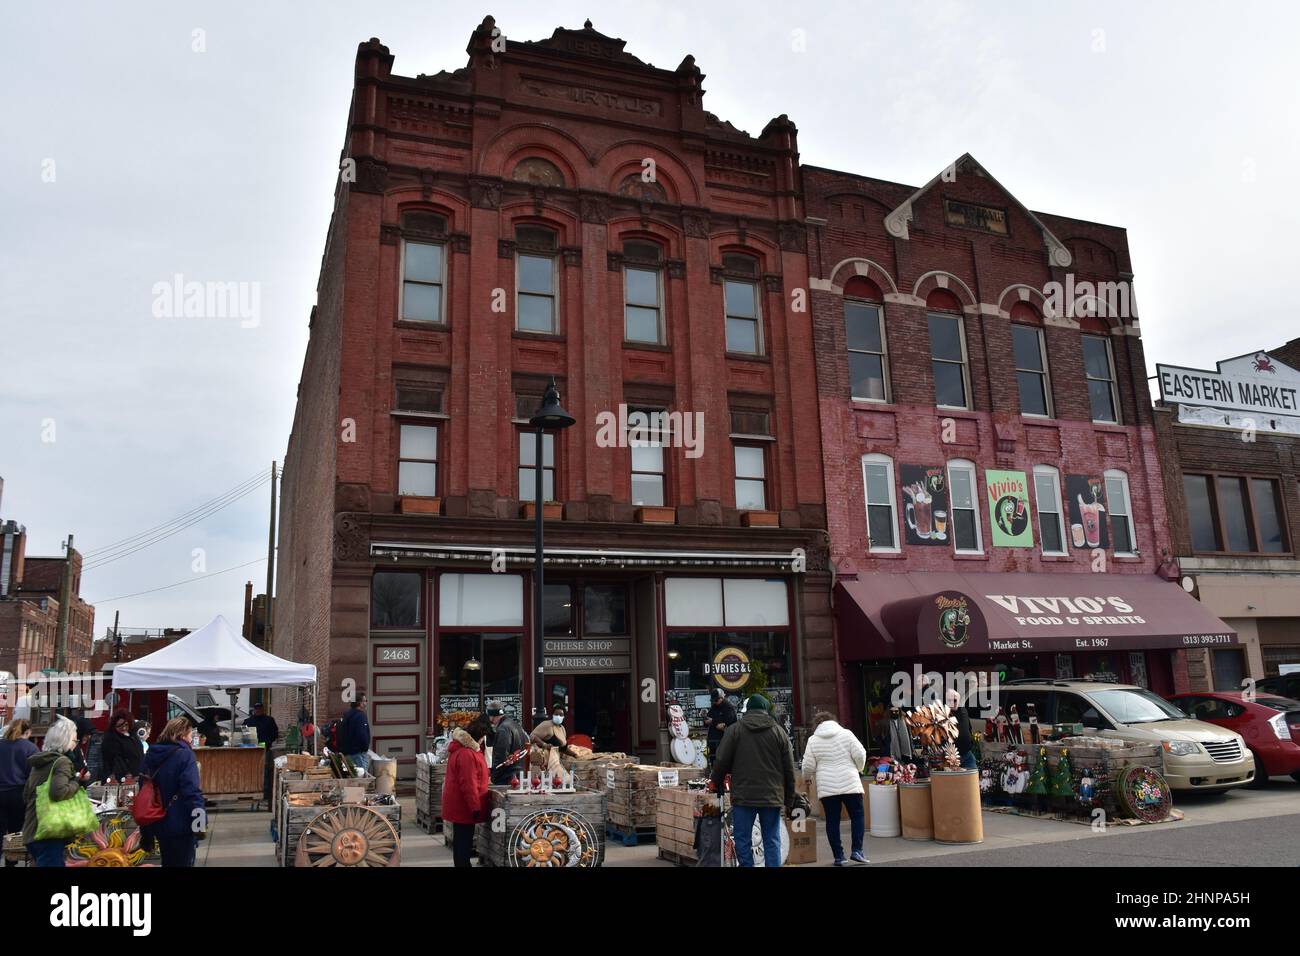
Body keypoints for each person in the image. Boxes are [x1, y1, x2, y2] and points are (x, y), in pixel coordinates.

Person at [710, 694, 796, 868]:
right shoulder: (779, 732)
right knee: (771, 839)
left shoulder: (735, 730)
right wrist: (790, 800)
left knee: (743, 839)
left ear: (748, 711)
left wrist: (715, 781)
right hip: (771, 796)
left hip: (744, 795)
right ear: (766, 710)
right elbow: (789, 769)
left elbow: (721, 760)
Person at [800, 711, 868, 866]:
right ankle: (857, 850)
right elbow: (860, 753)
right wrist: (858, 768)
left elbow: (808, 765)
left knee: (832, 821)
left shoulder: (813, 740)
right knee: (857, 816)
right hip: (850, 783)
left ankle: (839, 856)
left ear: (817, 725)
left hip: (827, 788)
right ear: (834, 721)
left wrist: (807, 778)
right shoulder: (847, 734)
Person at [140, 717, 205, 867]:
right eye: (190, 735)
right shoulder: (185, 755)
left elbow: (144, 787)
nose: (191, 739)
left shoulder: (151, 753)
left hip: (157, 820)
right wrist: (200, 823)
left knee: (167, 861)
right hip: (181, 821)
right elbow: (192, 791)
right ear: (182, 735)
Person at [22, 716, 84, 867]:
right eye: (75, 740)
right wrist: (77, 782)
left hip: (33, 829)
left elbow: (26, 794)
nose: (76, 745)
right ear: (66, 741)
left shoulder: (41, 761)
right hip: (50, 830)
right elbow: (59, 792)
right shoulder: (62, 761)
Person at [442, 717, 491, 867]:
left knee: (462, 840)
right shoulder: (467, 754)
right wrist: (475, 807)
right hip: (464, 805)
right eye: (483, 737)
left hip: (460, 803)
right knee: (463, 841)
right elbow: (469, 783)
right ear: (478, 737)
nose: (484, 741)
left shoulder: (465, 751)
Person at [0, 720, 39, 866]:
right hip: (18, 794)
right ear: (28, 732)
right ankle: (11, 863)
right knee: (14, 832)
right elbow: (34, 774)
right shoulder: (30, 748)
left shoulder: (1, 744)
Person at [243, 703, 280, 802]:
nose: (258, 710)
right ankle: (252, 790)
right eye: (256, 709)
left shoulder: (269, 720)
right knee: (252, 770)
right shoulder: (248, 721)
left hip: (265, 749)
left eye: (259, 709)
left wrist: (268, 742)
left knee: (265, 770)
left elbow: (275, 733)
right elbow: (243, 735)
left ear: (263, 709)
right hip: (251, 750)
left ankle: (265, 792)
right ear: (254, 710)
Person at [487, 701, 527, 785]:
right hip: (519, 774)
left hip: (506, 777)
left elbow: (501, 756)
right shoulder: (515, 724)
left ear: (492, 717)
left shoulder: (503, 729)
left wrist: (494, 776)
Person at [99, 709, 145, 781]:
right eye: (119, 726)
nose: (123, 728)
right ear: (114, 726)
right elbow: (115, 761)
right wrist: (128, 774)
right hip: (122, 780)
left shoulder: (133, 735)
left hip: (137, 777)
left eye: (126, 725)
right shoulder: (110, 739)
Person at [528, 704, 572, 779]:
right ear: (552, 715)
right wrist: (544, 744)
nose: (558, 716)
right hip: (544, 763)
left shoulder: (562, 729)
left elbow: (563, 748)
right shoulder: (547, 725)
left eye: (561, 714)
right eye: (556, 714)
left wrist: (575, 754)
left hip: (555, 762)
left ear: (564, 717)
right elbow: (532, 736)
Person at [339, 695, 371, 773]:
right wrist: (365, 748)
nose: (366, 703)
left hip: (347, 752)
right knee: (361, 778)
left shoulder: (347, 714)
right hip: (358, 753)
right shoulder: (360, 716)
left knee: (351, 777)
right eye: (365, 701)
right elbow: (362, 735)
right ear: (360, 703)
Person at [947, 688, 977, 770]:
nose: (953, 703)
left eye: (955, 700)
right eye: (950, 700)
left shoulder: (964, 711)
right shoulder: (943, 714)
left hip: (967, 754)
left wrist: (971, 741)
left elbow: (969, 728)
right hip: (951, 757)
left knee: (973, 780)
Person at [705, 689, 737, 765]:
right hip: (713, 742)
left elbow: (727, 724)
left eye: (716, 700)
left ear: (721, 698)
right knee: (713, 762)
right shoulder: (714, 707)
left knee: (723, 763)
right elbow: (708, 718)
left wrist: (713, 722)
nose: (715, 702)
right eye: (713, 700)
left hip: (723, 741)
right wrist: (706, 721)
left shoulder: (728, 707)